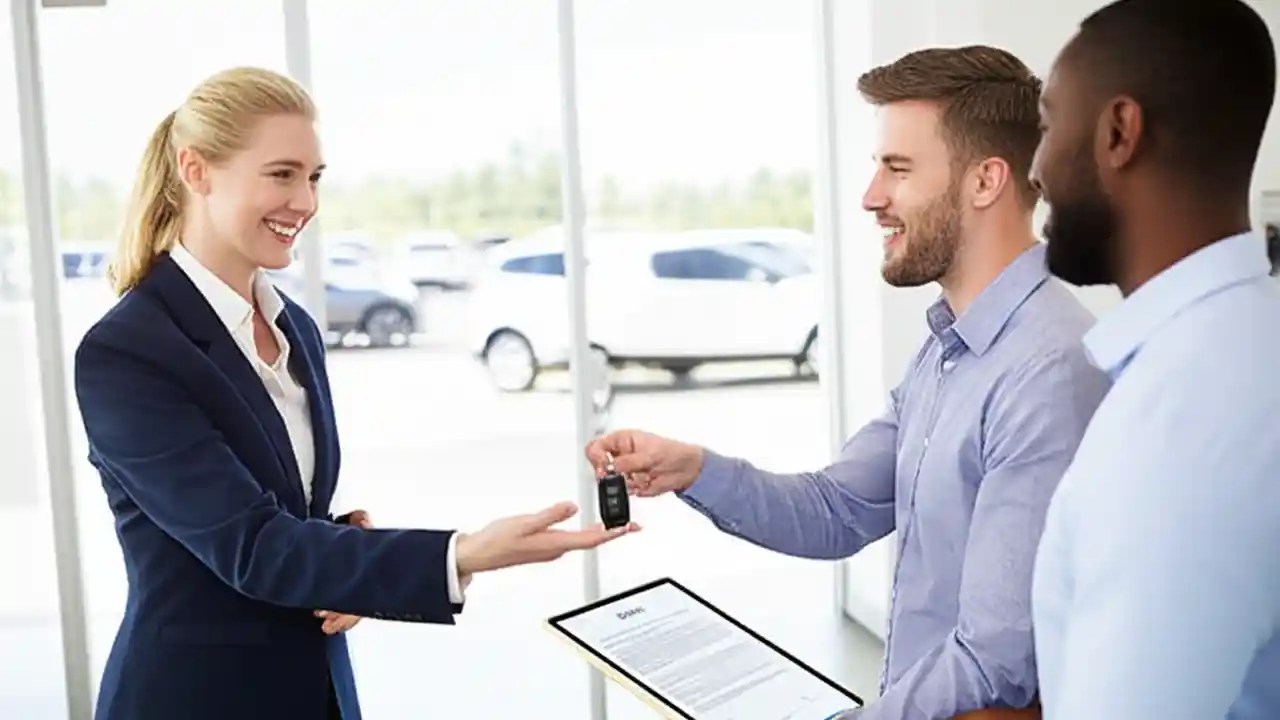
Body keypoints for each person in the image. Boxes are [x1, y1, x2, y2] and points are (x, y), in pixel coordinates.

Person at [73, 66, 637, 720]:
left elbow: (280, 514)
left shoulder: (295, 328)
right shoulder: (128, 352)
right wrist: (465, 552)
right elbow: (250, 547)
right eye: (281, 175)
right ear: (196, 171)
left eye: (313, 179)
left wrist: (340, 546)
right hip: (196, 695)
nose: (305, 203)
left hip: (316, 690)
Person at [586, 46, 1111, 718]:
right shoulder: (950, 349)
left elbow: (995, 660)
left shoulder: (1046, 373)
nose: (871, 198)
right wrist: (693, 469)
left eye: (897, 169)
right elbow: (836, 510)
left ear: (985, 182)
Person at [1028, 1, 1280, 718]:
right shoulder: (1252, 346)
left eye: (1047, 126)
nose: (1037, 168)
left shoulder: (1178, 428)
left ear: (1118, 132)